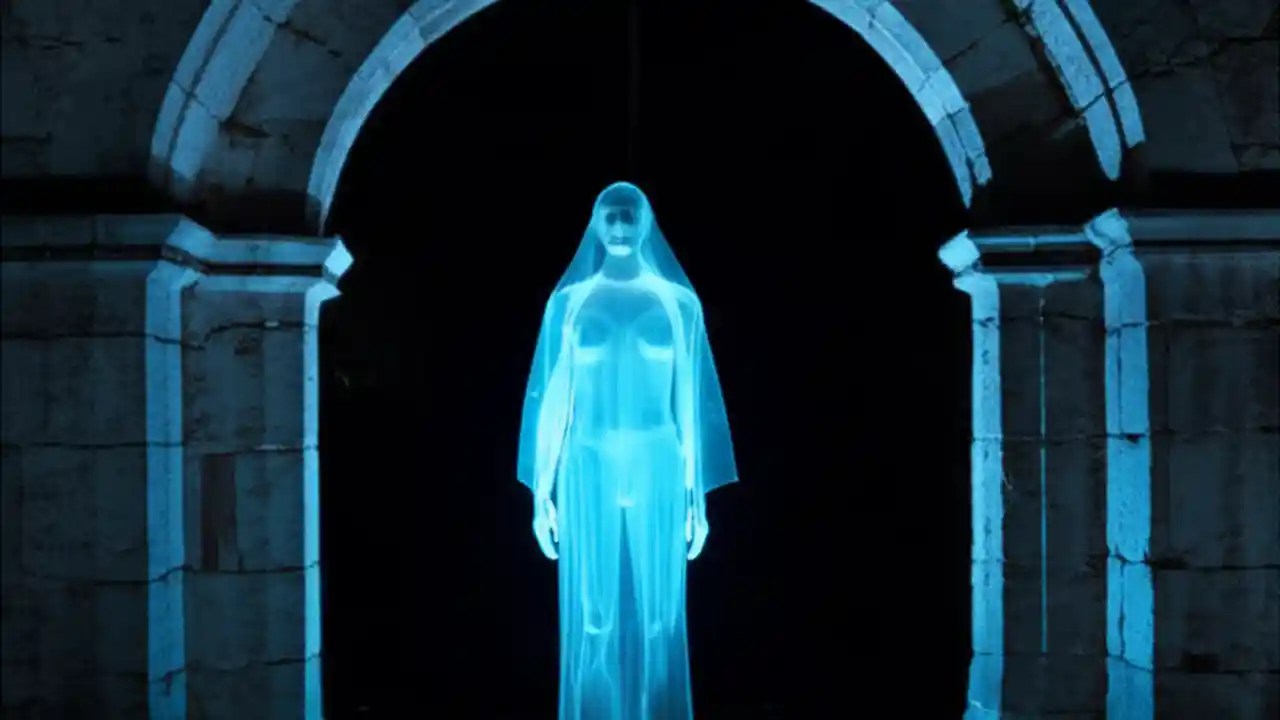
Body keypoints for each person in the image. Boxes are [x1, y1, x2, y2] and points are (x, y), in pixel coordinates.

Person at [516, 181, 738, 719]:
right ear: (596, 223)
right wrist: (540, 492)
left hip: (657, 460)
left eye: (628, 215)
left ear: (645, 223)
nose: (619, 225)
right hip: (586, 462)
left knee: (661, 614)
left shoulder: (678, 305)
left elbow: (688, 401)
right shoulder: (569, 304)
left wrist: (697, 497)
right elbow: (554, 397)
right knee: (593, 615)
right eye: (610, 215)